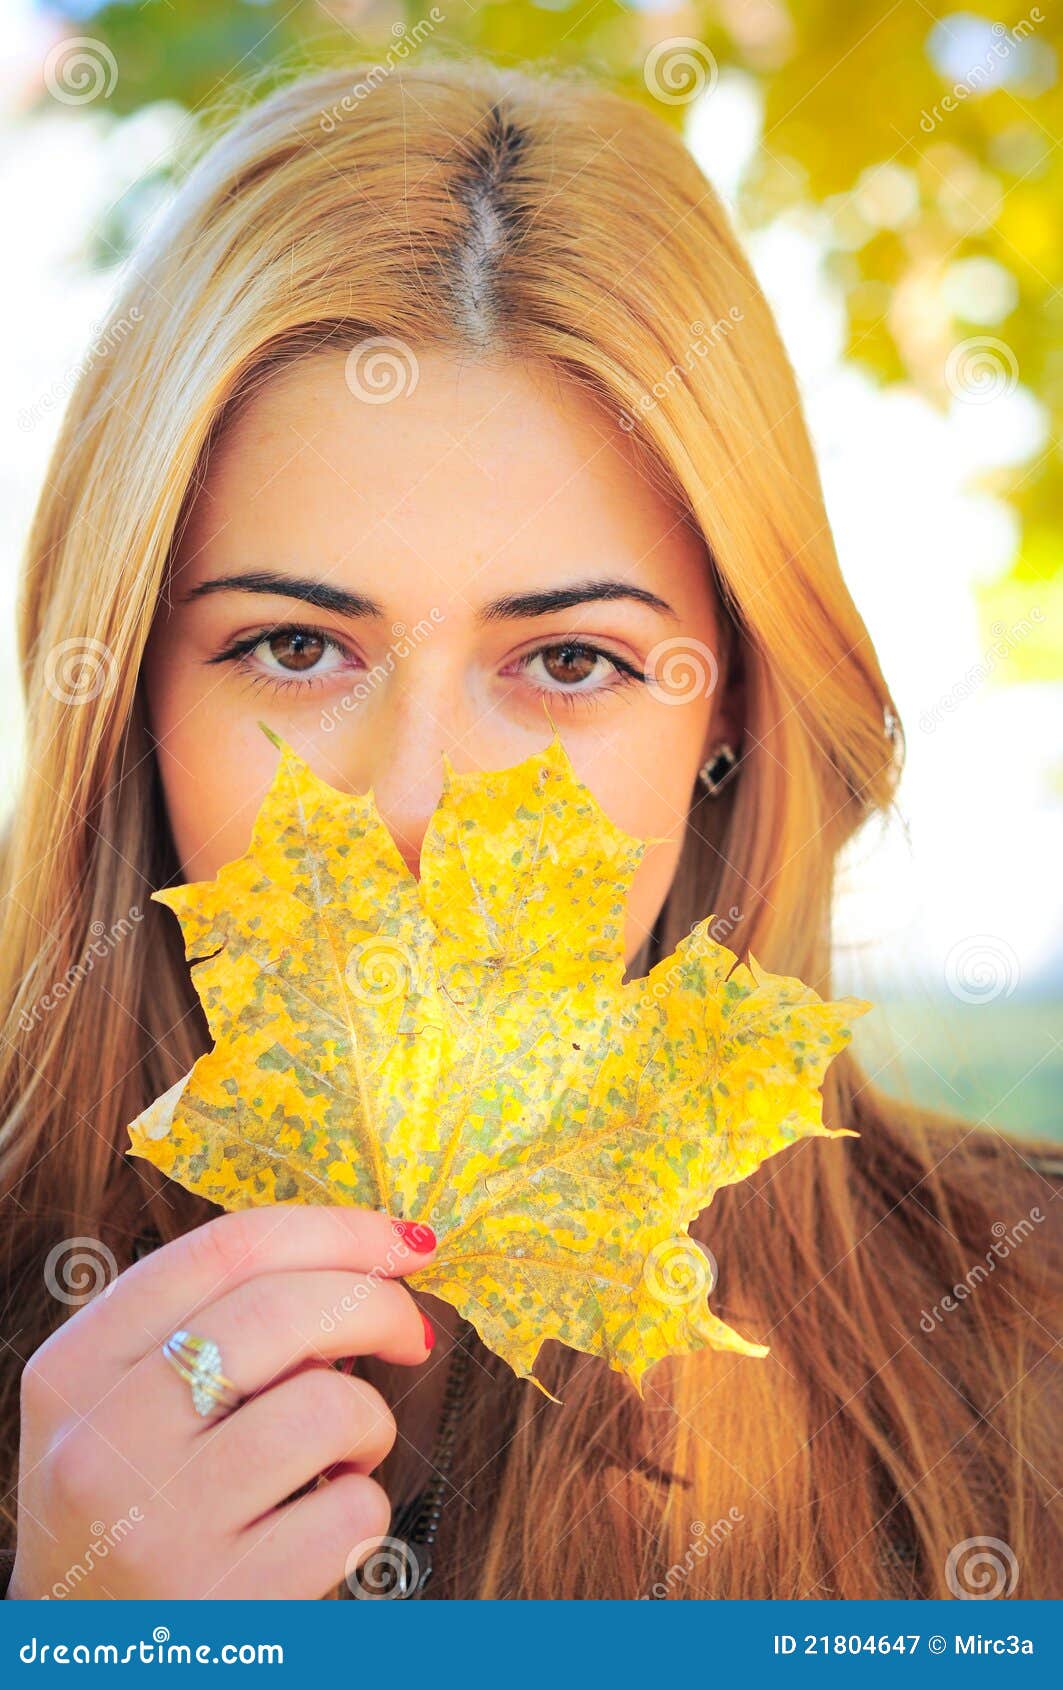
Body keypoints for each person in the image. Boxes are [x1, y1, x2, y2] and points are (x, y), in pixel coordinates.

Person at [1, 55, 1058, 1601]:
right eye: (296, 646)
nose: (421, 800)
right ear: (128, 699)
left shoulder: (1029, 1341)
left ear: (736, 717)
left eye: (570, 661)